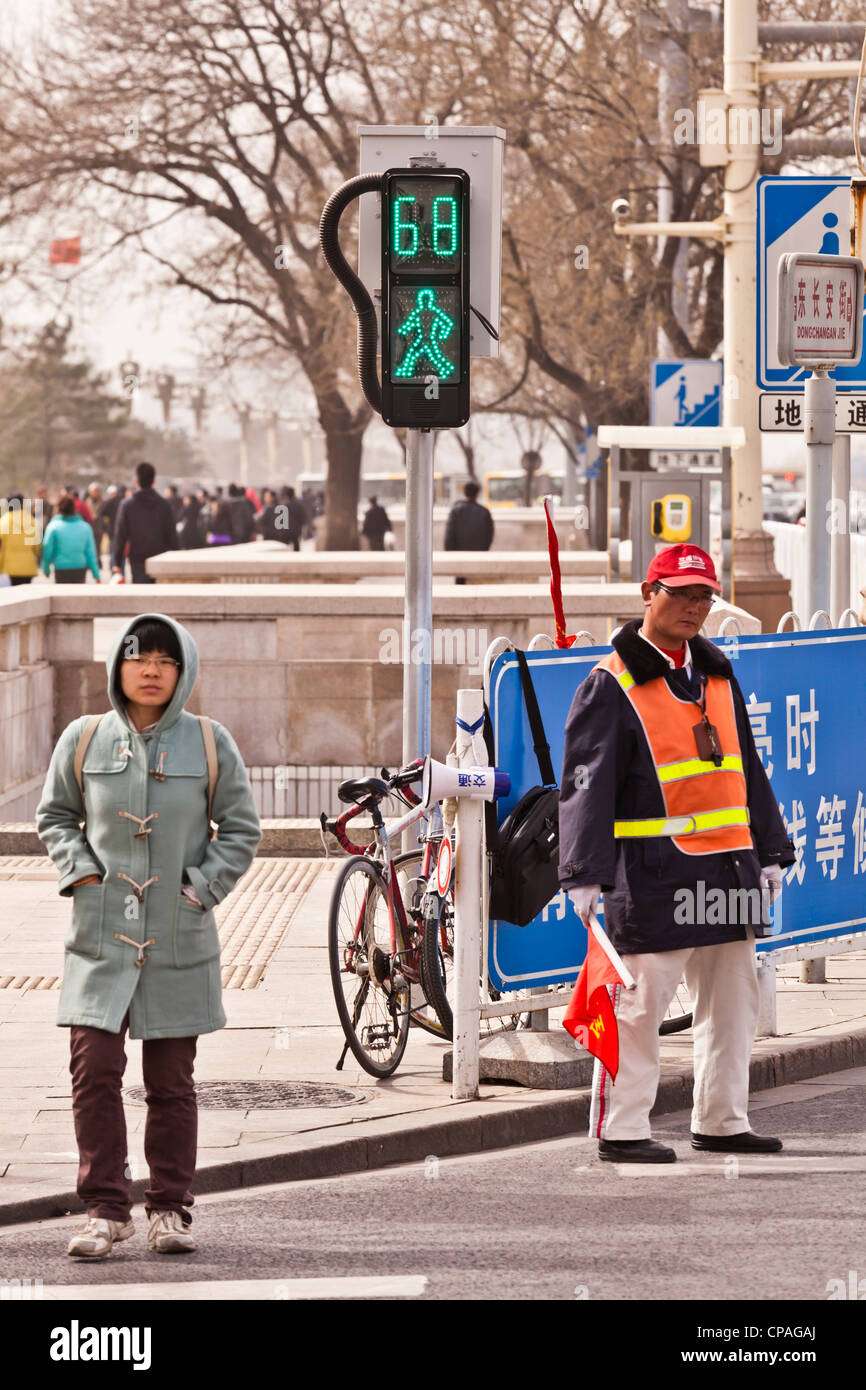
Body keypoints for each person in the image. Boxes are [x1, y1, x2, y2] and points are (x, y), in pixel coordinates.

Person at [558, 543, 796, 1164]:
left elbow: (747, 768)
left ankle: (721, 1120)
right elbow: (586, 780)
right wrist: (583, 872)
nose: (693, 607)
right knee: (637, 1006)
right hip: (652, 872)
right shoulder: (610, 684)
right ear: (648, 594)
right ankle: (623, 1129)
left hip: (728, 869)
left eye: (703, 597)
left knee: (733, 1004)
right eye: (680, 594)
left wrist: (770, 849)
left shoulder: (717, 675)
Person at [35, 613, 261, 1258]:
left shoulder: (209, 742)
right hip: (101, 934)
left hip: (176, 935)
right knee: (93, 1071)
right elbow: (55, 816)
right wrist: (79, 874)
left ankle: (169, 1208)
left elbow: (241, 828)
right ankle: (106, 1208)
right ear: (119, 668)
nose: (152, 670)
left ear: (182, 669)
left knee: (171, 1082)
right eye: (140, 659)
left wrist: (200, 890)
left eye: (165, 660)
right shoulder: (83, 738)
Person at [111, 462, 179, 584]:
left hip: (138, 559)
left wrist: (116, 562)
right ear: (154, 481)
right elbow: (172, 536)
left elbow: (120, 536)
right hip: (161, 559)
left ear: (137, 481)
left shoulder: (127, 505)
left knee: (141, 598)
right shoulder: (164, 505)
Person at [40, 496, 101, 584]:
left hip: (61, 568)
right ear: (74, 509)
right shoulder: (85, 527)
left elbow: (47, 550)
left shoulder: (53, 527)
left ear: (58, 509)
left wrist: (46, 569)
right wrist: (96, 574)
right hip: (80, 567)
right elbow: (90, 553)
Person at [444, 480, 494, 581]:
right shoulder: (484, 511)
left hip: (459, 557)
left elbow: (449, 535)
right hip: (479, 556)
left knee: (460, 583)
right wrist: (484, 551)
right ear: (477, 494)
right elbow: (489, 535)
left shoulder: (456, 510)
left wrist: (449, 554)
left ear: (464, 493)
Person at [0, 491, 41, 585]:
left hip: (8, 569)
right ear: (22, 504)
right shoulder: (31, 520)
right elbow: (37, 546)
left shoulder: (3, 521)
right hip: (27, 568)